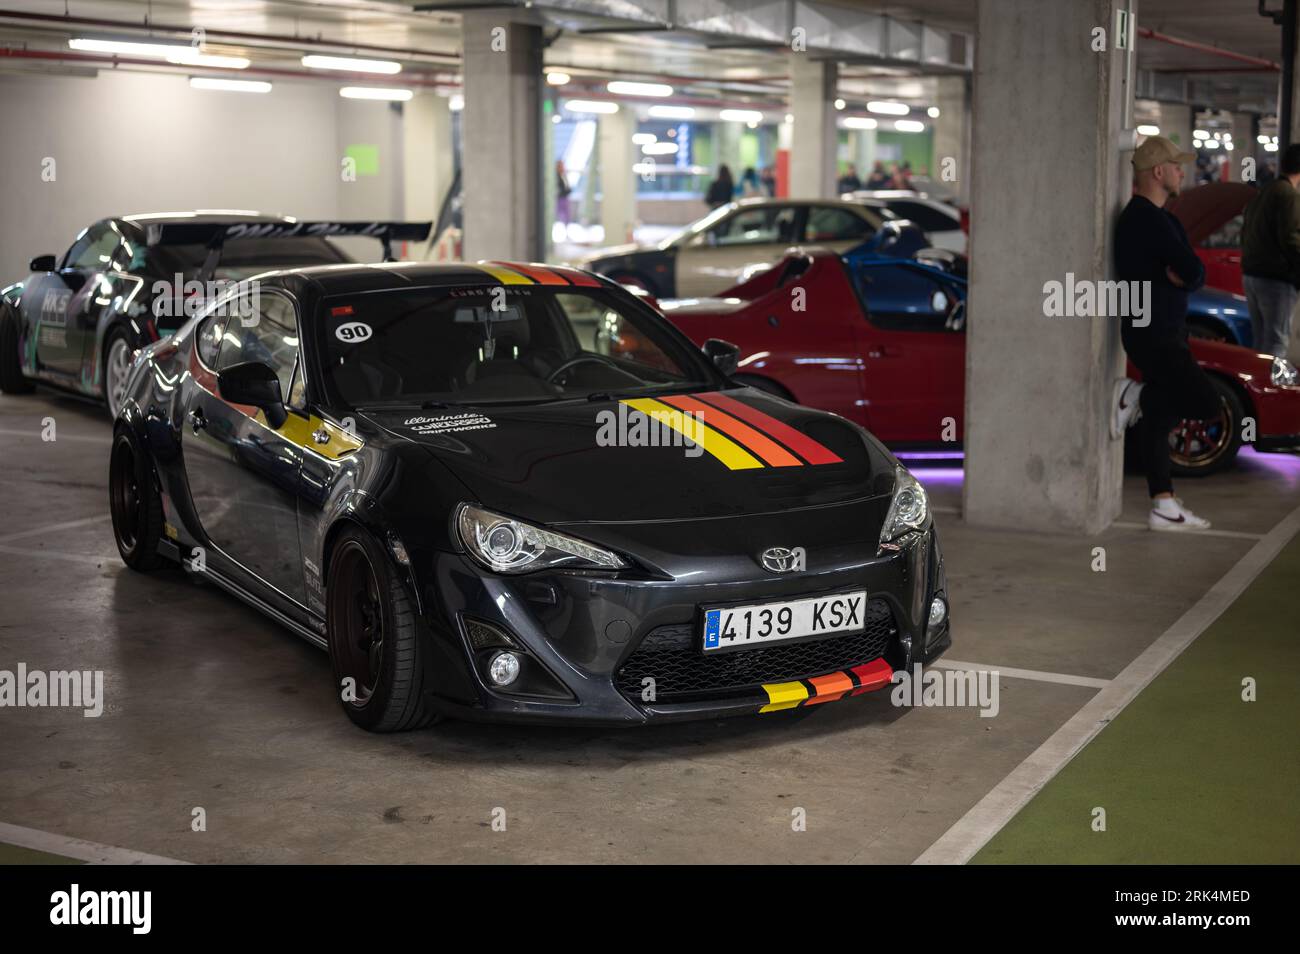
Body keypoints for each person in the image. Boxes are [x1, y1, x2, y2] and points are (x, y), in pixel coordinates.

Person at [1112, 135, 1222, 532]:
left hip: (1164, 332)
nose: (1182, 172)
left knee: (1160, 419)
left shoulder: (1164, 218)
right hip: (1153, 334)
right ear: (1158, 172)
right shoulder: (1145, 219)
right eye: (1176, 166)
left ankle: (1163, 504)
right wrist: (1180, 275)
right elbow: (1190, 271)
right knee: (1205, 402)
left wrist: (1181, 274)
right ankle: (1134, 394)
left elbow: (1193, 269)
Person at [1240, 143, 1300, 359]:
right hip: (1275, 279)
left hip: (1252, 274)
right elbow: (1291, 237)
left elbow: (1245, 229)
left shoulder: (1265, 190)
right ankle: (1270, 390)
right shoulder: (1288, 195)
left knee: (1261, 340)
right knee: (1277, 341)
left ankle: (1258, 388)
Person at [554, 160, 572, 227]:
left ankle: (566, 229)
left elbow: (567, 186)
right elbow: (559, 188)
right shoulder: (557, 176)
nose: (563, 167)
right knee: (561, 214)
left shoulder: (564, 176)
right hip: (560, 198)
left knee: (567, 215)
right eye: (561, 166)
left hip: (565, 197)